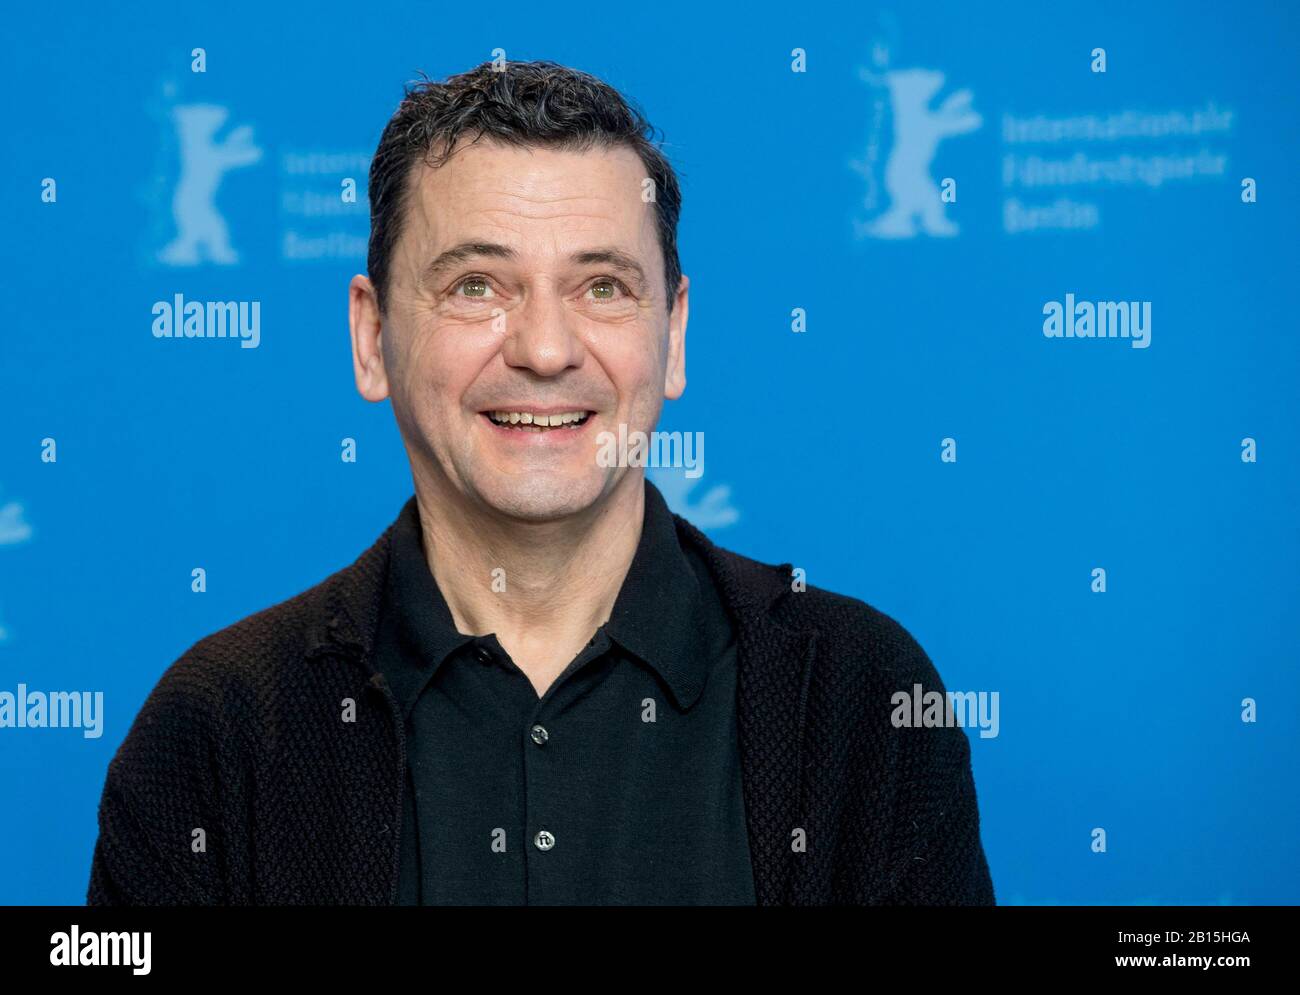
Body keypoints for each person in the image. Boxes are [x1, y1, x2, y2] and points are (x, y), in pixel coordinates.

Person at [87, 59, 994, 905]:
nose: (546, 350)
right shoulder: (215, 733)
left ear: (673, 336)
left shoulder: (860, 700)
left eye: (602, 287)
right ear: (371, 339)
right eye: (478, 285)